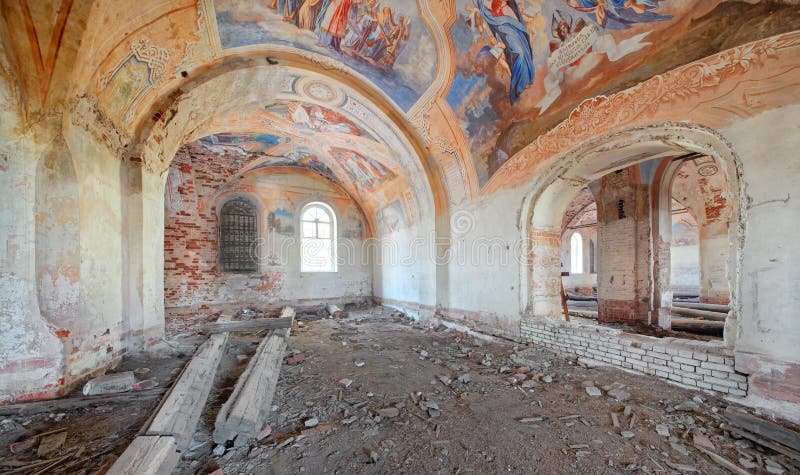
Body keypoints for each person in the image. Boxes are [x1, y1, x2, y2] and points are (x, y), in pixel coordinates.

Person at [476, 0, 535, 104]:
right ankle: (518, 87)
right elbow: (488, 12)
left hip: (511, 18)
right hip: (502, 25)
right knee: (519, 53)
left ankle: (526, 80)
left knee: (524, 49)